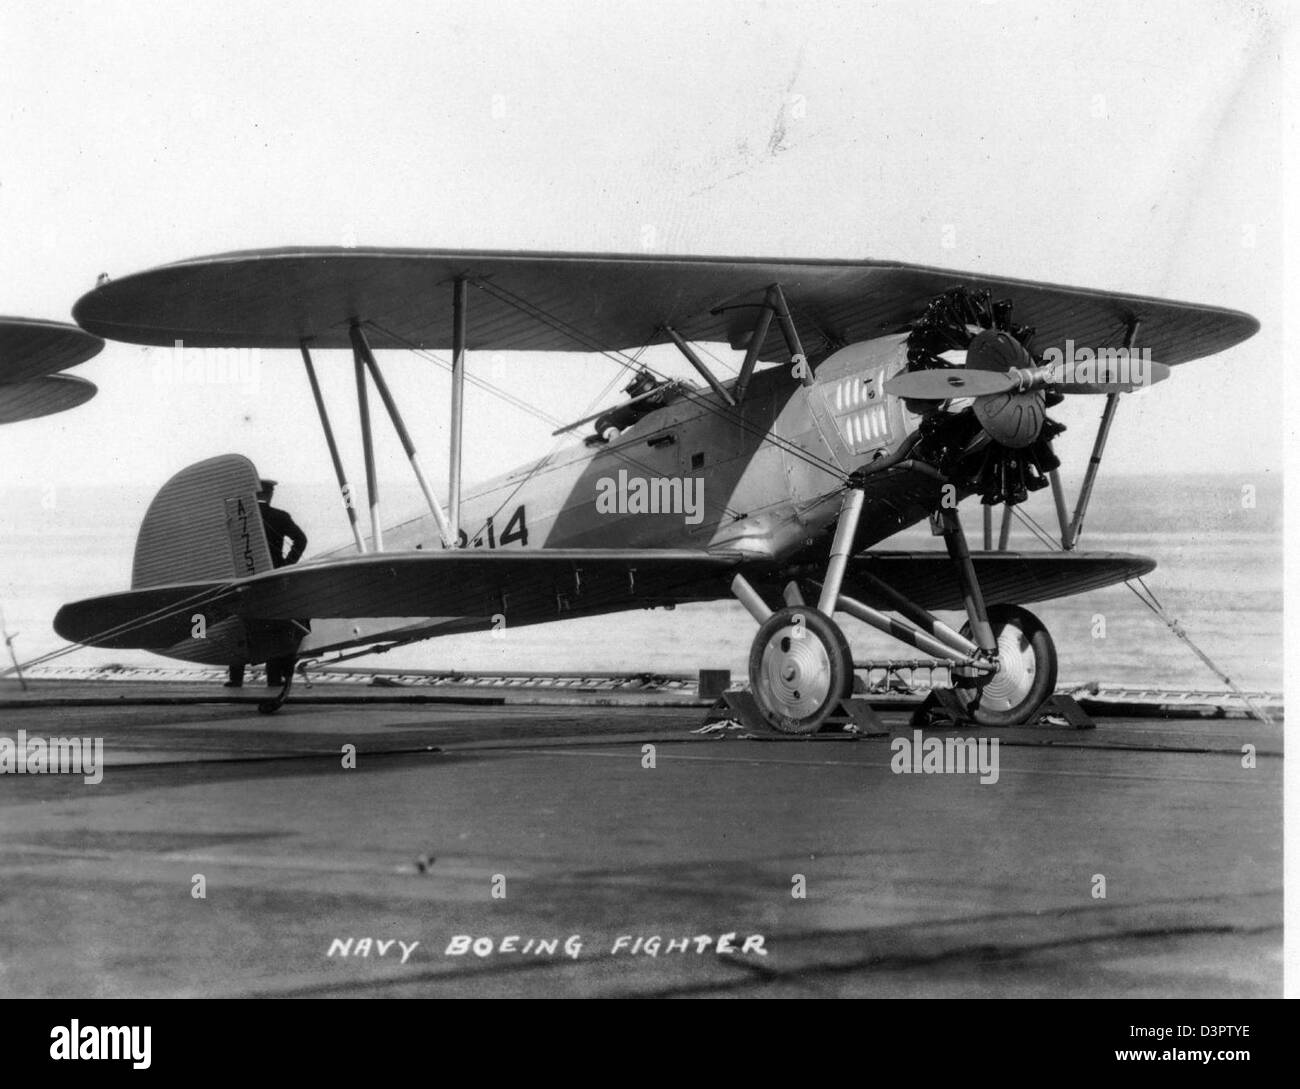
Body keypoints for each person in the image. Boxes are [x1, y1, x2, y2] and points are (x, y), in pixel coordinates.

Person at [225, 479, 309, 688]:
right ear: (270, 495)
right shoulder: (280, 516)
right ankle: (274, 678)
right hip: (274, 579)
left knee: (239, 624)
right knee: (276, 626)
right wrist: (286, 564)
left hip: (243, 579)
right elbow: (301, 539)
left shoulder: (237, 518)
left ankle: (235, 679)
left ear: (252, 494)